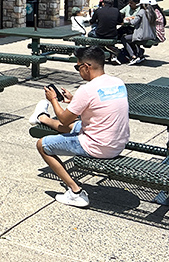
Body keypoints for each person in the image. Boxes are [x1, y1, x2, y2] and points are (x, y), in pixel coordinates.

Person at [29, 46, 130, 208]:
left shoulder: (87, 89)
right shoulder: (118, 82)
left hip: (98, 147)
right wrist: (74, 100)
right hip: (118, 144)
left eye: (77, 67)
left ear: (86, 67)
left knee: (42, 145)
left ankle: (75, 192)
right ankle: (41, 118)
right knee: (75, 126)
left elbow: (63, 119)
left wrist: (53, 99)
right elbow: (98, 105)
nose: (78, 71)